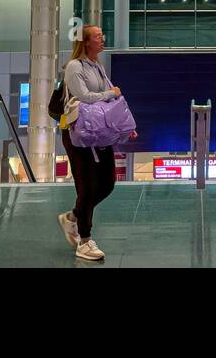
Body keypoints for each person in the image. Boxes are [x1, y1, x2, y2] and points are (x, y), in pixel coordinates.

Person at [57, 25, 136, 261]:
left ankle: (73, 216)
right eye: (98, 37)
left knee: (107, 184)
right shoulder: (74, 67)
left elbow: (108, 103)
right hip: (78, 135)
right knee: (87, 187)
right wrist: (111, 93)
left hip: (99, 133)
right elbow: (85, 99)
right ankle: (85, 240)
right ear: (86, 42)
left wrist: (125, 126)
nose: (103, 39)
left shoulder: (97, 66)